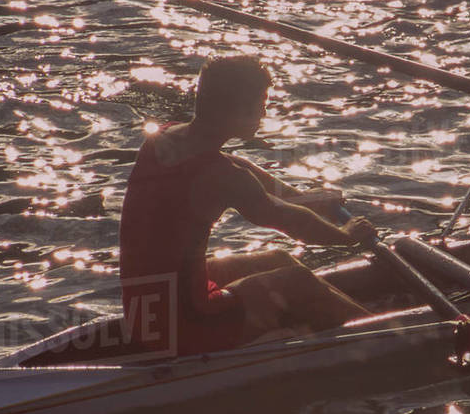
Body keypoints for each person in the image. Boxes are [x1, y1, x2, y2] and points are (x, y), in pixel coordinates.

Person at [119, 55, 376, 357]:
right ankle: (383, 334)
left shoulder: (164, 138)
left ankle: (349, 317)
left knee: (276, 259)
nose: (265, 112)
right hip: (183, 330)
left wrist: (310, 199)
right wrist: (347, 235)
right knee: (300, 282)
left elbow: (245, 170)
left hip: (143, 313)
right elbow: (291, 222)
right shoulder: (222, 175)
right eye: (261, 103)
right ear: (236, 111)